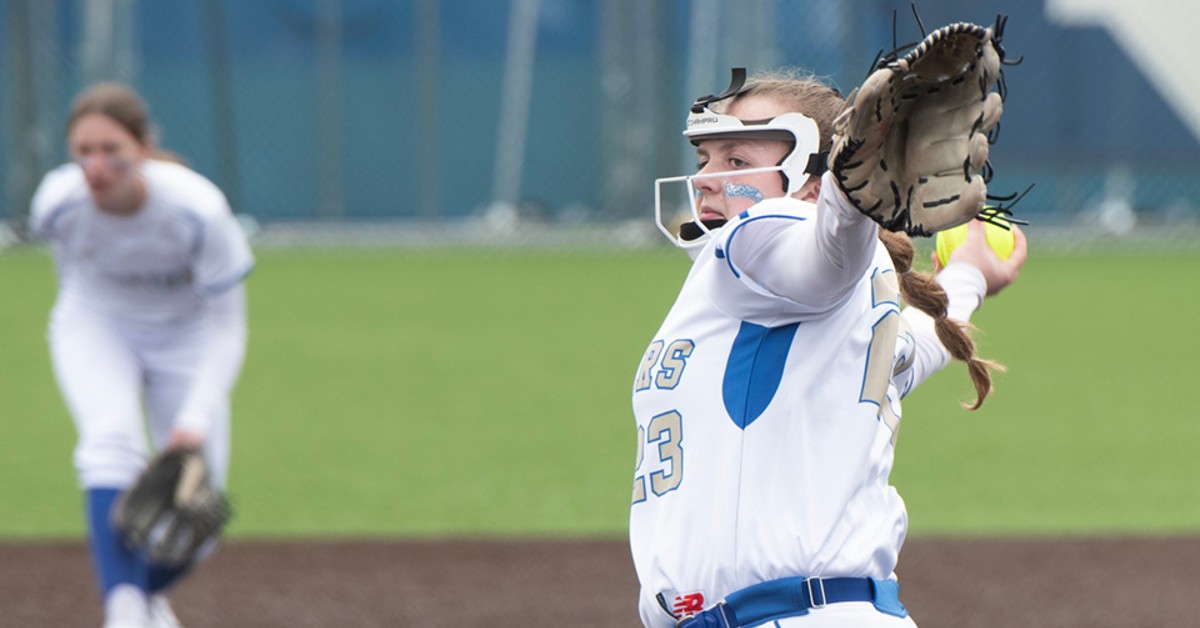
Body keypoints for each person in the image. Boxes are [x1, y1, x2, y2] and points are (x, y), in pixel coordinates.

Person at [630, 68, 1027, 628]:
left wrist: (849, 191)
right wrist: (968, 275)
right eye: (705, 160)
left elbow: (819, 258)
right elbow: (913, 346)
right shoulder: (787, 293)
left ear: (810, 185)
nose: (706, 179)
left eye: (738, 161)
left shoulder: (759, 241)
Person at [26, 82, 253, 628]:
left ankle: (147, 596)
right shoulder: (58, 202)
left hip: (190, 338)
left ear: (145, 150)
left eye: (112, 150)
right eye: (83, 152)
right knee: (109, 441)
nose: (96, 165)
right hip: (98, 326)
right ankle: (124, 612)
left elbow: (227, 327)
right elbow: (72, 285)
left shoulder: (198, 210)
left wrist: (194, 422)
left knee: (196, 515)